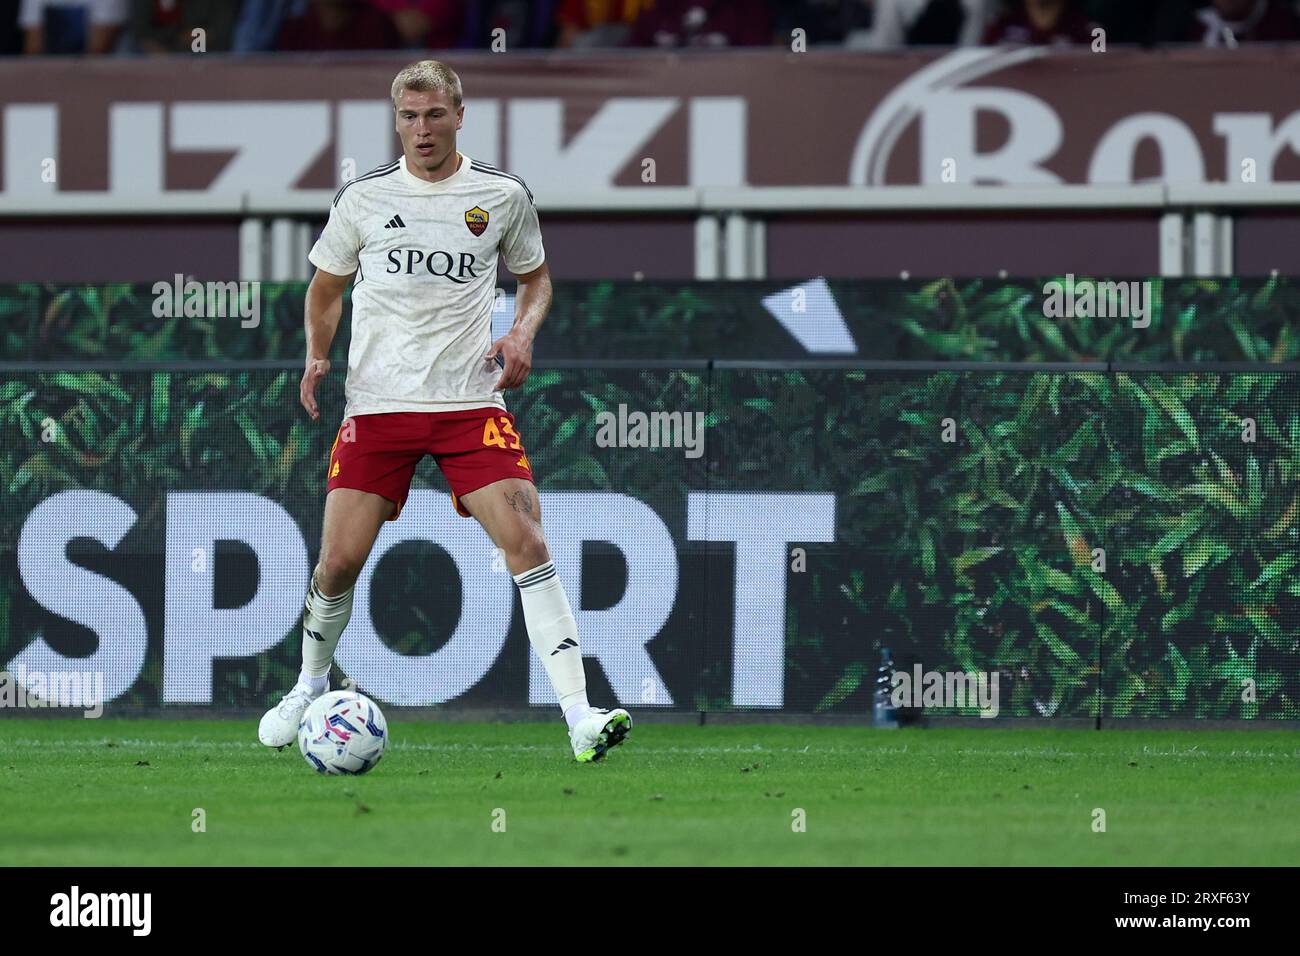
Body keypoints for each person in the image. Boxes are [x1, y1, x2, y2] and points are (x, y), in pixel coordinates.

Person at [257, 59, 633, 764]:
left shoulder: (501, 195)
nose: (420, 129)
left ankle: (581, 719)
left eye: (434, 115)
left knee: (529, 545)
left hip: (468, 404)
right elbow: (325, 289)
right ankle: (307, 687)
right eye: (408, 116)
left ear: (459, 115)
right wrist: (316, 354)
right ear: (395, 120)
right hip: (379, 405)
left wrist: (521, 332)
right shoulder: (364, 198)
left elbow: (536, 279)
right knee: (337, 562)